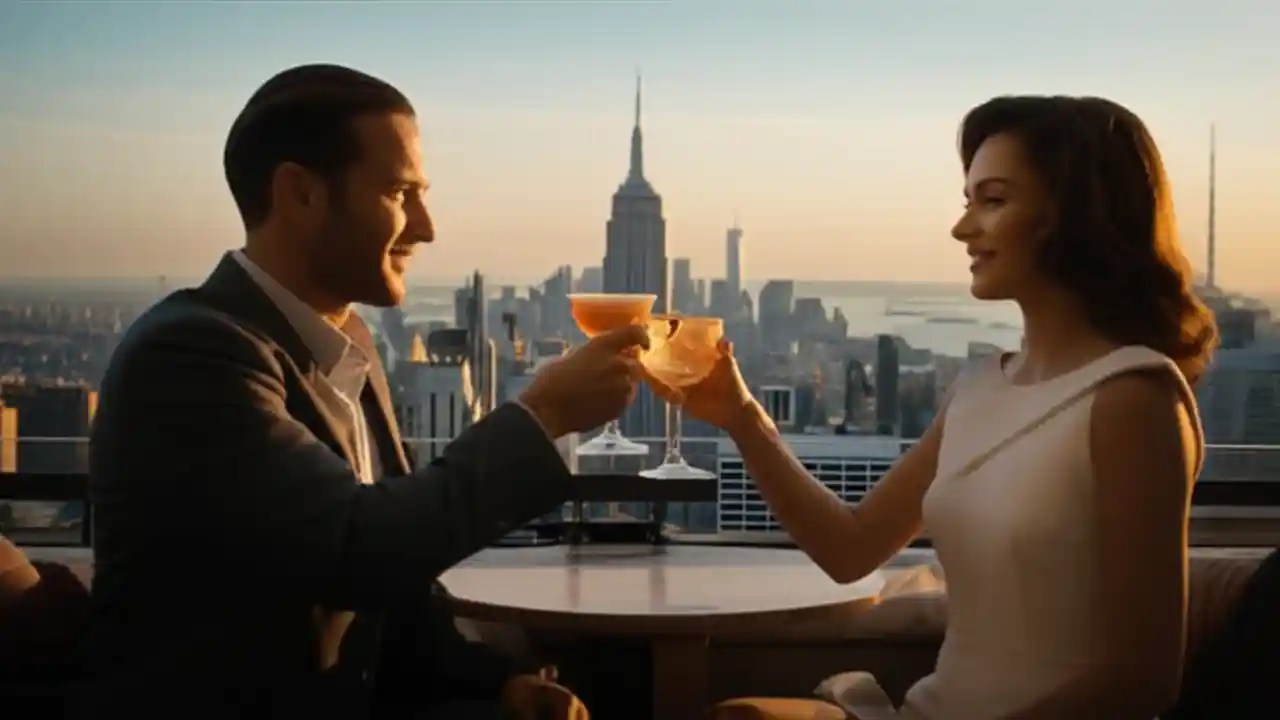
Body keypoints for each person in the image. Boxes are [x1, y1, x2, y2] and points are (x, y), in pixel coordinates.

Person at [80, 64, 645, 719]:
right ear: (301, 195)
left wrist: (497, 687)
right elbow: (356, 554)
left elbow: (390, 597)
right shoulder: (191, 358)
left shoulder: (348, 345)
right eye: (402, 193)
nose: (426, 227)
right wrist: (542, 413)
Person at [669, 96, 1217, 719]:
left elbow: (1140, 680)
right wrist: (740, 413)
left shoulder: (1133, 399)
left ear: (1074, 215)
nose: (962, 229)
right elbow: (850, 548)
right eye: (968, 201)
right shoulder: (978, 387)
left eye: (994, 200)